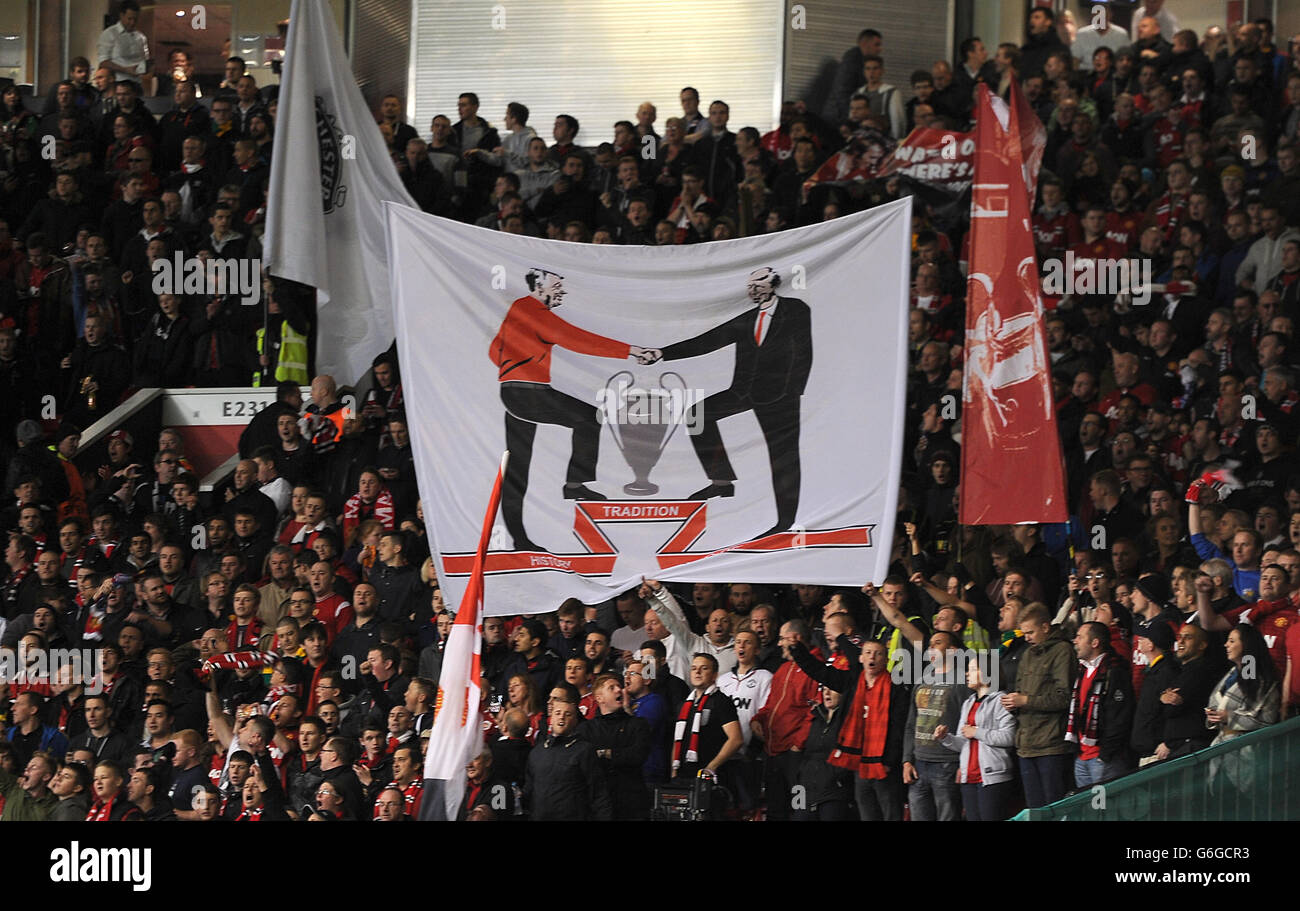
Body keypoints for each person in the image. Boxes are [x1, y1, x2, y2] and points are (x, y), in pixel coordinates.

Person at [489, 269, 654, 549]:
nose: (562, 292)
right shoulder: (533, 311)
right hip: (531, 393)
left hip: (513, 392)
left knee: (517, 467)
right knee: (589, 417)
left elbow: (494, 350)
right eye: (557, 287)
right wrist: (633, 350)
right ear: (539, 288)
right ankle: (575, 484)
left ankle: (519, 538)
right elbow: (576, 339)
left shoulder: (518, 310)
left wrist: (513, 367)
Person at [646, 266, 812, 537]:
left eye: (758, 285)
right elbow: (708, 341)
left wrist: (794, 391)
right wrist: (662, 353)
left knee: (783, 455)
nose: (752, 290)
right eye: (750, 286)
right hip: (743, 391)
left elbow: (804, 350)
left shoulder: (795, 309)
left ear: (772, 284)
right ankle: (721, 481)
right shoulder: (747, 319)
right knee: (697, 415)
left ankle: (785, 522)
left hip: (780, 396)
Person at [1001, 603, 1074, 808]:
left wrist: (1025, 701)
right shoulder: (1027, 654)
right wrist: (1013, 704)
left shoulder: (1063, 650)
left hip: (1052, 745)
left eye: (1030, 632)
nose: (1026, 638)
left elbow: (1064, 697)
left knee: (1054, 808)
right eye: (1024, 633)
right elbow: (1020, 691)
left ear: (1045, 627)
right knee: (1034, 809)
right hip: (1025, 745)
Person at [934, 654, 1018, 821]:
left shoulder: (1001, 700)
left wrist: (976, 732)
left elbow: (1009, 737)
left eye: (973, 669)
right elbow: (963, 742)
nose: (967, 673)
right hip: (969, 777)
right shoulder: (968, 703)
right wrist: (945, 738)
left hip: (993, 777)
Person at [1065, 621, 1134, 787]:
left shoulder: (1114, 671)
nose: (1075, 641)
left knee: (1105, 803)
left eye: (1080, 637)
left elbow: (1121, 717)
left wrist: (1105, 755)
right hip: (1082, 756)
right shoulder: (1081, 670)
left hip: (1104, 758)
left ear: (1094, 643)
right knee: (1089, 804)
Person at [524, 695, 611, 820]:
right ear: (551, 719)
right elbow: (529, 790)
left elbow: (598, 793)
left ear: (575, 721)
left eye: (568, 714)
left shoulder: (584, 751)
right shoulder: (537, 752)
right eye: (558, 713)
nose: (562, 717)